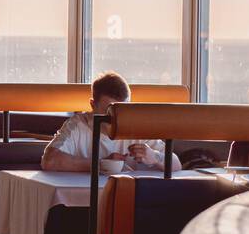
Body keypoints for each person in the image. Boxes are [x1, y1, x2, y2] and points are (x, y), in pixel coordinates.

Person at [41, 71, 180, 174]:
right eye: (108, 110)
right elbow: (49, 160)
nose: (115, 117)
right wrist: (100, 164)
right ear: (92, 105)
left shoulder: (137, 125)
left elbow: (176, 164)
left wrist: (155, 157)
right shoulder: (78, 125)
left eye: (122, 109)